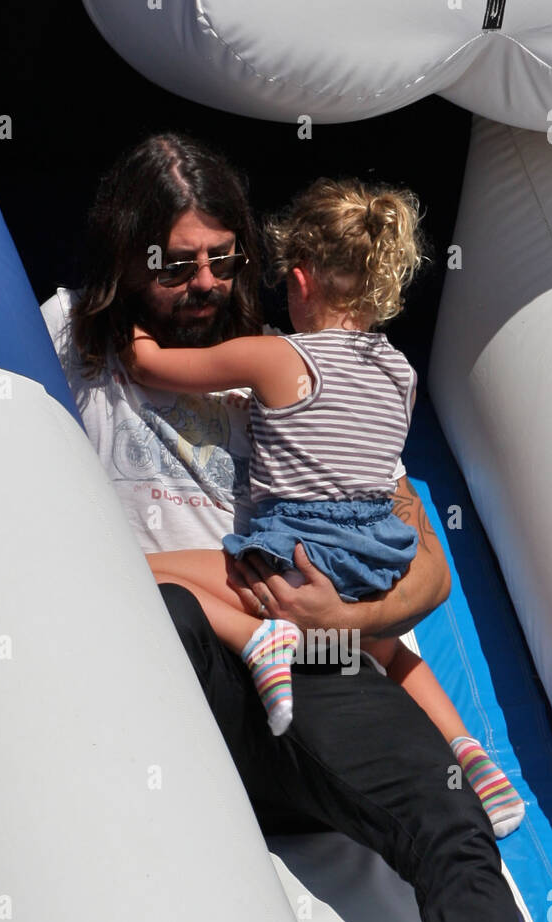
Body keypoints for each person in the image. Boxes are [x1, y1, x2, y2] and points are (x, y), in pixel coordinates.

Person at [41, 132, 552, 922]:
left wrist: (336, 615)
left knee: (449, 824)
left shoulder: (309, 365)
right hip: (178, 672)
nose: (206, 283)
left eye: (223, 259)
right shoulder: (60, 345)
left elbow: (423, 566)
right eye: (178, 264)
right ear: (130, 258)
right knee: (158, 604)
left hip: (311, 662)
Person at [122, 175, 526, 835]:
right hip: (379, 557)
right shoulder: (399, 374)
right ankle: (473, 758)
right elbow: (344, 451)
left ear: (302, 279)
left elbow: (158, 369)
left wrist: (135, 338)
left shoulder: (277, 357)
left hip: (303, 557)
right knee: (387, 651)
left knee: (145, 569)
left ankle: (260, 639)